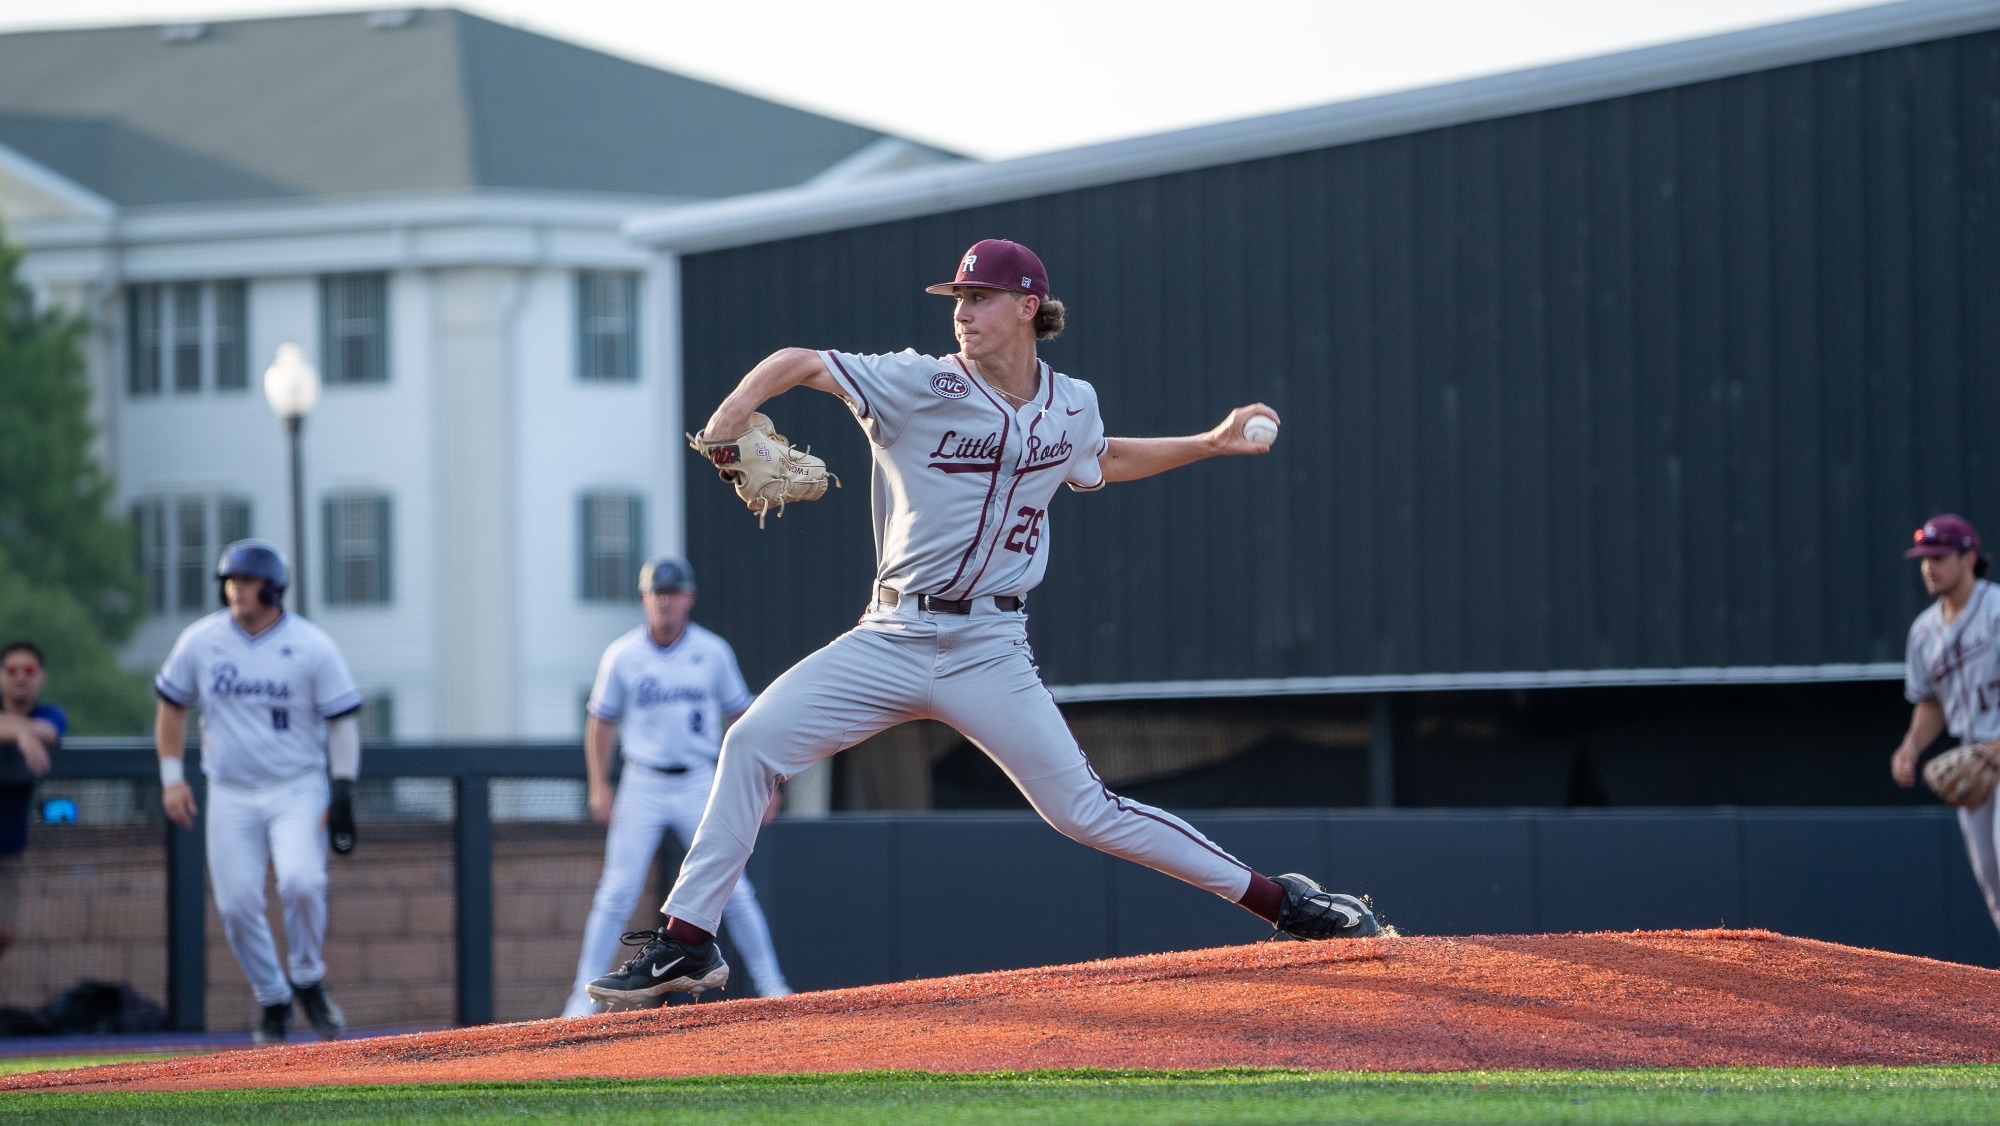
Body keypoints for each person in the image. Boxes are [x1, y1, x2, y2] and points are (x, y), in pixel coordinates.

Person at [587, 238, 1380, 1008]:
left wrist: (1209, 443)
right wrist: (730, 418)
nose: (963, 312)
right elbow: (799, 362)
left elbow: (1101, 461)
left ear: (1028, 306)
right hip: (891, 635)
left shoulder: (1072, 403)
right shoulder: (916, 382)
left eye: (980, 297)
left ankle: (1284, 904)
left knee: (1085, 812)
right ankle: (687, 941)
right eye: (958, 298)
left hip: (990, 648)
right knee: (752, 743)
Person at [562, 554, 792, 1016]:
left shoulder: (712, 651)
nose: (665, 602)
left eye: (673, 593)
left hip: (698, 780)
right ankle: (579, 1000)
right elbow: (600, 722)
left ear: (689, 597)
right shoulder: (623, 654)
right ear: (645, 598)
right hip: (642, 779)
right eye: (657, 593)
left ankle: (773, 985)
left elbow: (742, 717)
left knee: (734, 888)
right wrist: (598, 785)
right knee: (617, 891)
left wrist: (767, 781)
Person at [154, 540, 363, 1045]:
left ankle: (307, 979)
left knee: (302, 883)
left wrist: (342, 791)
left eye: (245, 581)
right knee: (236, 904)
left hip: (295, 786)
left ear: (272, 587)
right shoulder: (201, 640)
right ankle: (273, 999)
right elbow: (172, 707)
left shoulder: (311, 645)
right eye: (230, 581)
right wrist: (172, 777)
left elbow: (341, 722)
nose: (235, 590)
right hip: (229, 790)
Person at [1892, 513, 2000, 938]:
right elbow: (1931, 703)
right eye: (1924, 557)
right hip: (1974, 761)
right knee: (1991, 880)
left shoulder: (1995, 611)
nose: (1928, 566)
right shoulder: (1923, 633)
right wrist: (1910, 748)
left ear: (1969, 557)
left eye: (1939, 556)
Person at [0, 641, 64, 963]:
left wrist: (21, 730)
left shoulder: (49, 712)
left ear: (41, 677)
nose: (20, 677)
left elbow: (50, 731)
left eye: (28, 670)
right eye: (11, 670)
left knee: (4, 933)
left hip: (8, 849)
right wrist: (23, 736)